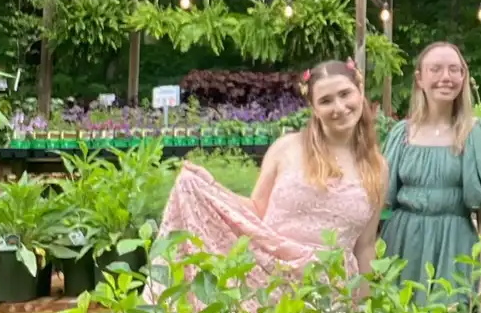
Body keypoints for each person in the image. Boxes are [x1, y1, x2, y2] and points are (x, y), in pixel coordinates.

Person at [159, 59, 385, 300]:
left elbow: (365, 246)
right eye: (326, 100)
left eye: (345, 94)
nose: (339, 107)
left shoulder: (377, 168)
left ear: (360, 92)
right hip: (271, 285)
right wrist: (210, 188)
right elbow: (256, 209)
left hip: (332, 294)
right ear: (314, 108)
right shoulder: (286, 148)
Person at [382, 41, 481, 301]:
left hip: (456, 247)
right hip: (401, 246)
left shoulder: (478, 134)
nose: (446, 77)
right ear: (420, 78)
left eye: (454, 69)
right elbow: (378, 207)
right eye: (436, 69)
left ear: (463, 77)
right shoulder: (401, 134)